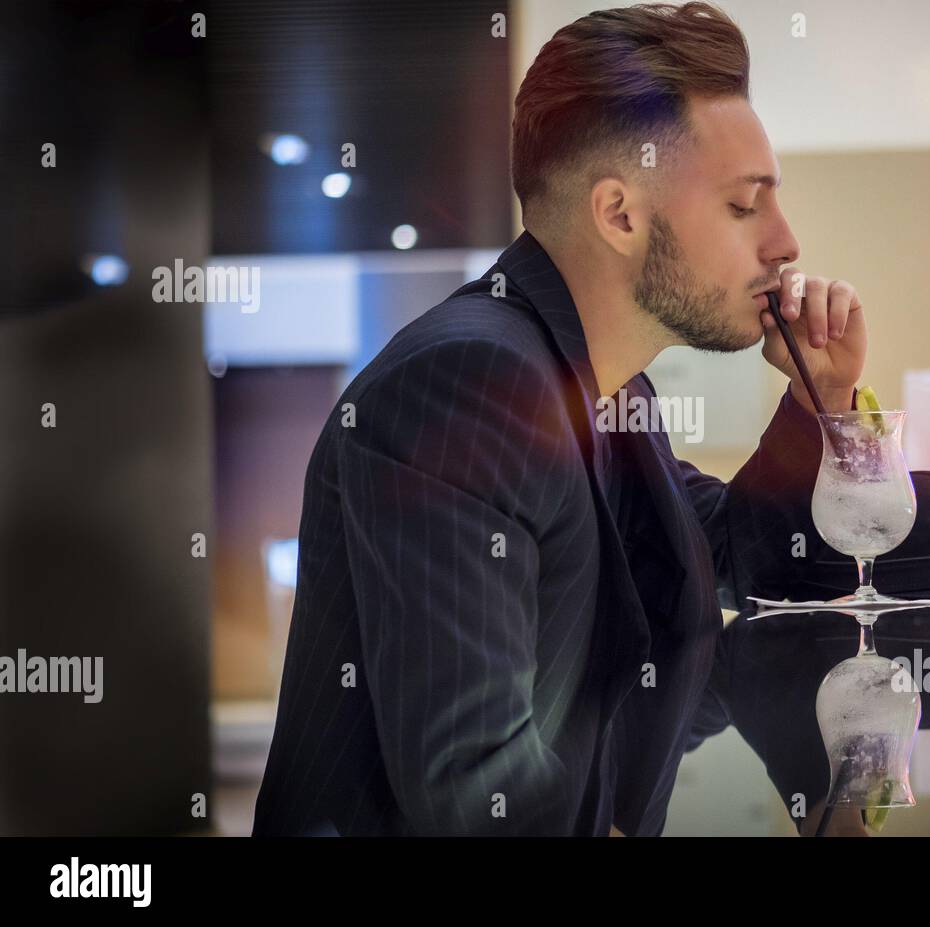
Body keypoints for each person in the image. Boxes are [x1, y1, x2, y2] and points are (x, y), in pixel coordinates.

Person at [253, 1, 868, 837]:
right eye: (743, 206)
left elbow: (736, 559)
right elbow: (477, 787)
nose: (786, 242)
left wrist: (817, 404)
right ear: (619, 214)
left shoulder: (601, 385)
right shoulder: (471, 380)